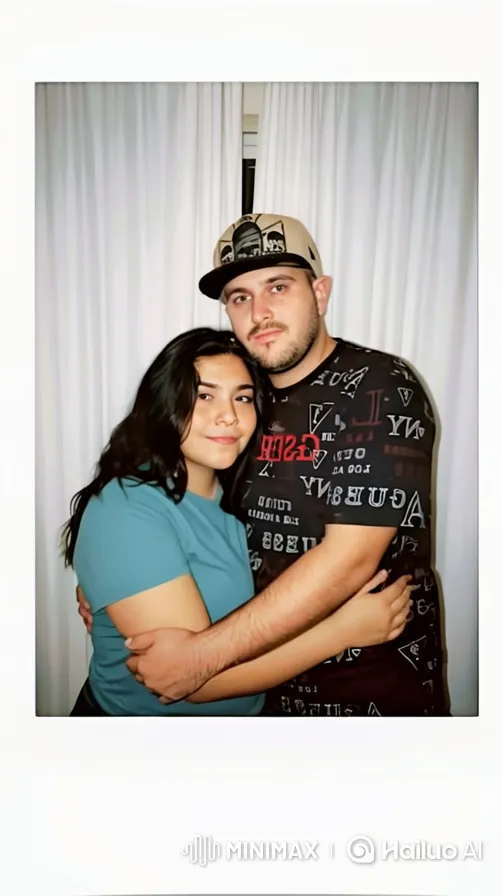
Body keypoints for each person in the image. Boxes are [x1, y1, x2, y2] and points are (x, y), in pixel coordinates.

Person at [78, 213, 449, 716]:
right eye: (239, 297)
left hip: (367, 688)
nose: (260, 311)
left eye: (278, 286)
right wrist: (115, 581)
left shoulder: (380, 385)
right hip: (259, 693)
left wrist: (200, 656)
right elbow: (181, 519)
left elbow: (350, 558)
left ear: (320, 293)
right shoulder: (245, 407)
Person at [65, 326, 412, 716]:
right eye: (204, 395)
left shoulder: (235, 494)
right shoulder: (129, 508)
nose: (228, 416)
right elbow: (193, 680)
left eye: (242, 398)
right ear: (163, 404)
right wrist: (341, 632)